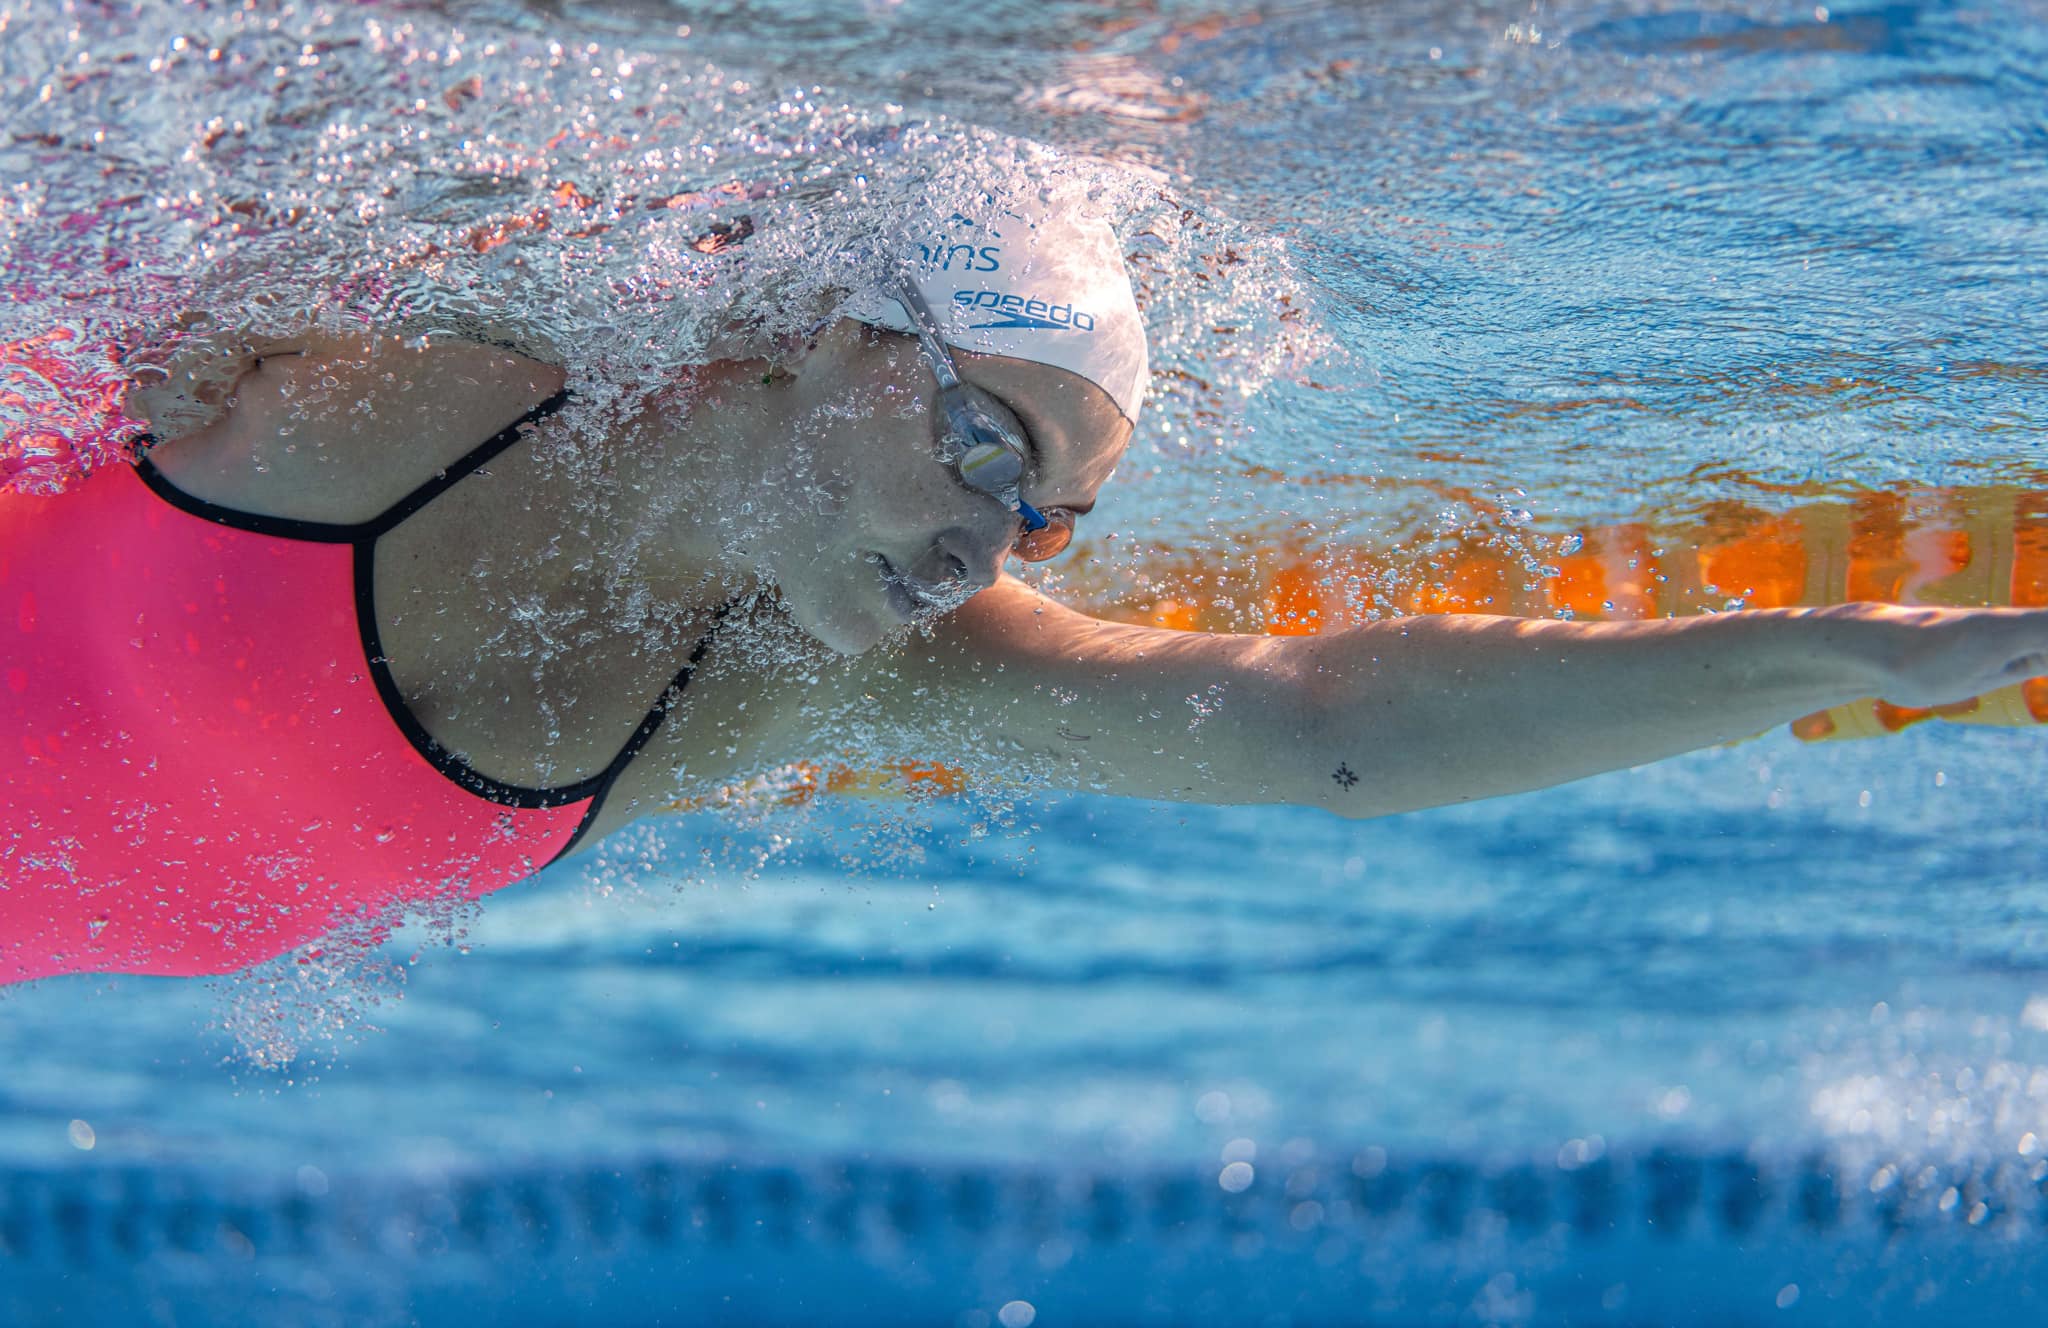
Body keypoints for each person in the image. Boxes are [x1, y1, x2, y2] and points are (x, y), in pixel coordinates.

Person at [5, 199, 2045, 986]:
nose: (988, 548)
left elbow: (1316, 731)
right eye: (987, 445)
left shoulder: (796, 678)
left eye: (1045, 513)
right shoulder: (434, 383)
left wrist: (1841, 653)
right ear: (843, 336)